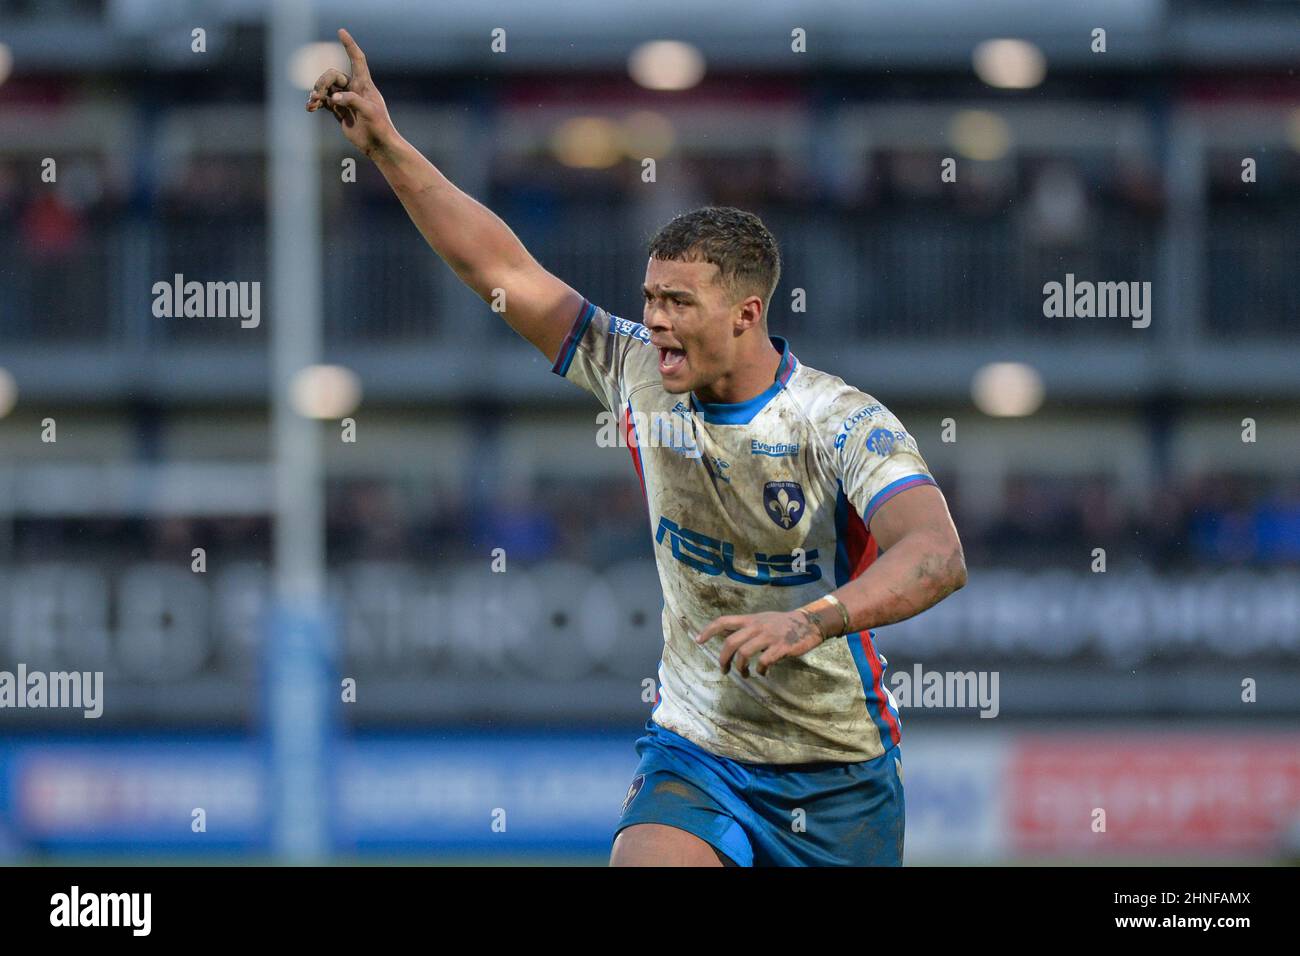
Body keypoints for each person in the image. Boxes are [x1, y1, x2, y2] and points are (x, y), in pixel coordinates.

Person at [309, 29, 967, 866]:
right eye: (650, 296)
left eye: (678, 302)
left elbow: (937, 554)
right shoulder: (636, 371)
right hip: (698, 751)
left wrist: (814, 619)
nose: (654, 319)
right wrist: (388, 149)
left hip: (839, 774)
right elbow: (498, 267)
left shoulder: (839, 422)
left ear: (745, 315)